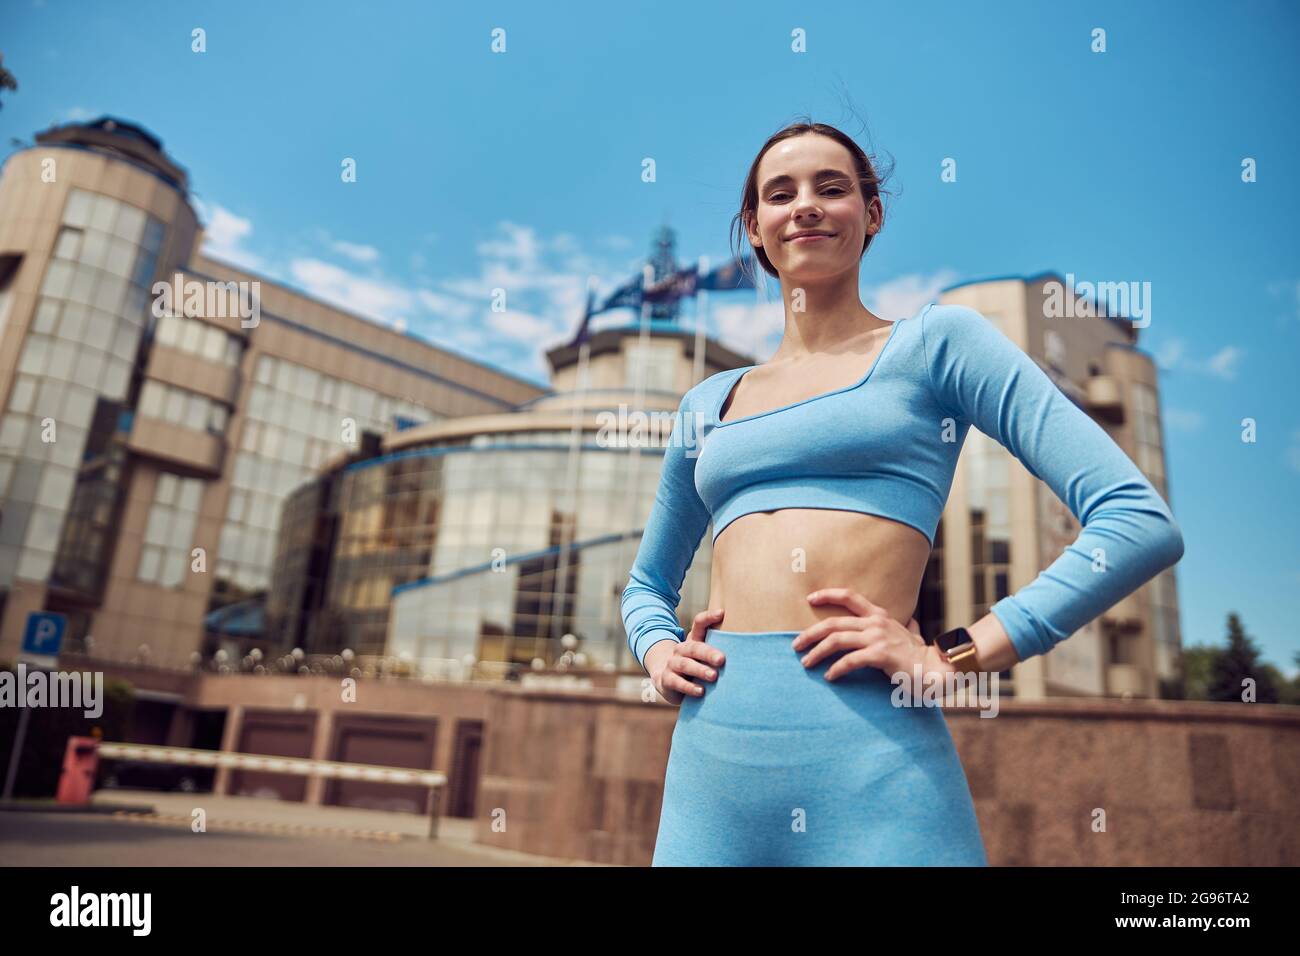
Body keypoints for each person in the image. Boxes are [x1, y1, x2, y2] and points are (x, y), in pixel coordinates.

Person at [619, 120, 1185, 866]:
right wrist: (658, 652)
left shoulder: (937, 344)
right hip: (711, 774)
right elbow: (646, 584)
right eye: (781, 194)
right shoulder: (707, 404)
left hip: (877, 768)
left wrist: (956, 655)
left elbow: (1137, 520)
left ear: (872, 213)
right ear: (754, 228)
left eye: (833, 188)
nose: (807, 206)